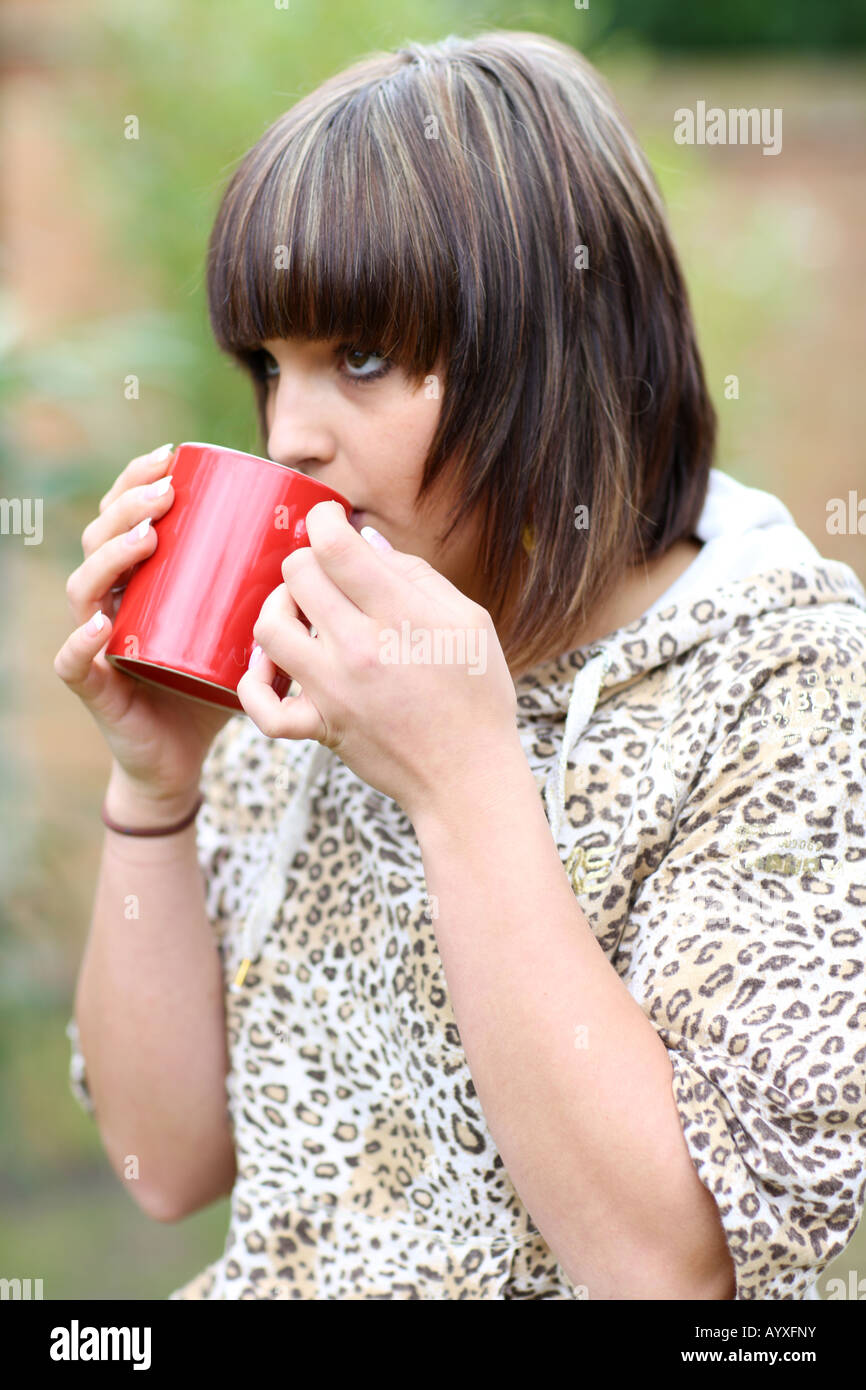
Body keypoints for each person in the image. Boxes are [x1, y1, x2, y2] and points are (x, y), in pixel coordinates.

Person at [57, 30, 866, 1300]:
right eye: (272, 366)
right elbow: (165, 1164)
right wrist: (155, 787)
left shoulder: (785, 681)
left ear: (564, 343)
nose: (292, 434)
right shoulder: (321, 636)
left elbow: (672, 1273)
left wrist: (463, 781)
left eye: (360, 359)